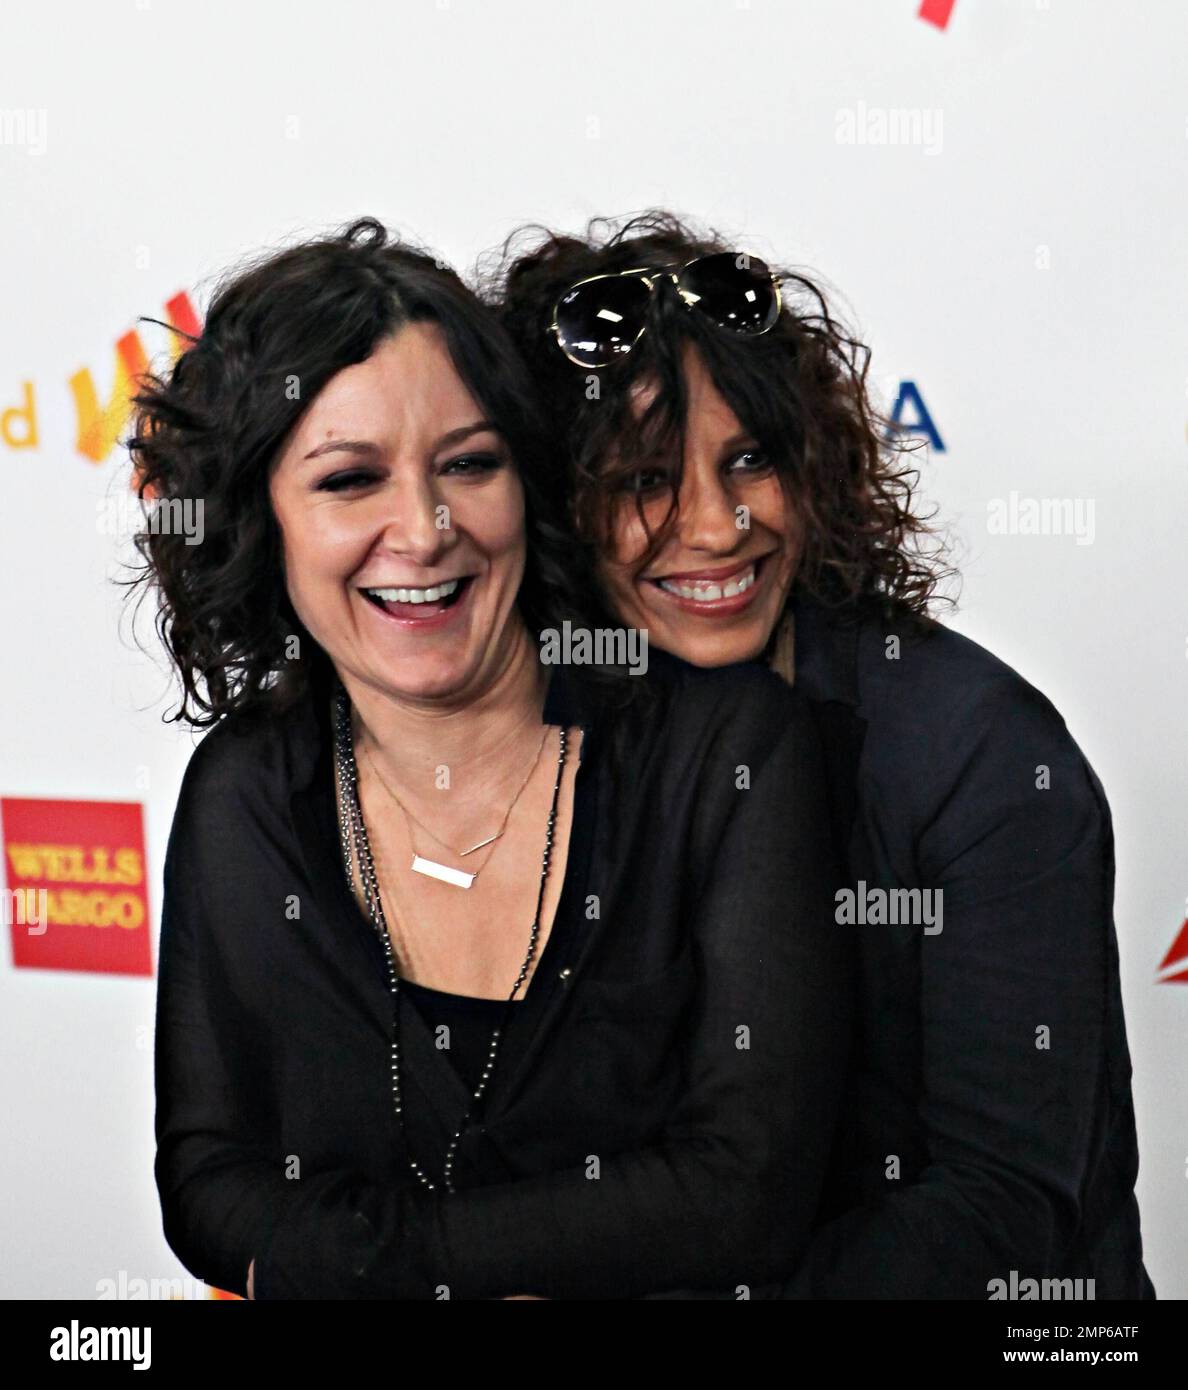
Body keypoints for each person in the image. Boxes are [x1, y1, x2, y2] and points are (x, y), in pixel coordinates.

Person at [132, 217, 853, 1300]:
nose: (422, 533)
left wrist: (394, 1265)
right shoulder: (248, 790)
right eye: (348, 481)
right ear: (257, 519)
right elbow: (209, 1179)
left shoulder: (726, 754)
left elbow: (739, 1199)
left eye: (468, 464)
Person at [491, 210, 1155, 1299]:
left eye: (752, 458)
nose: (718, 526)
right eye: (648, 480)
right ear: (555, 507)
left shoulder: (981, 753)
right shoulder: (537, 733)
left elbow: (1009, 1206)